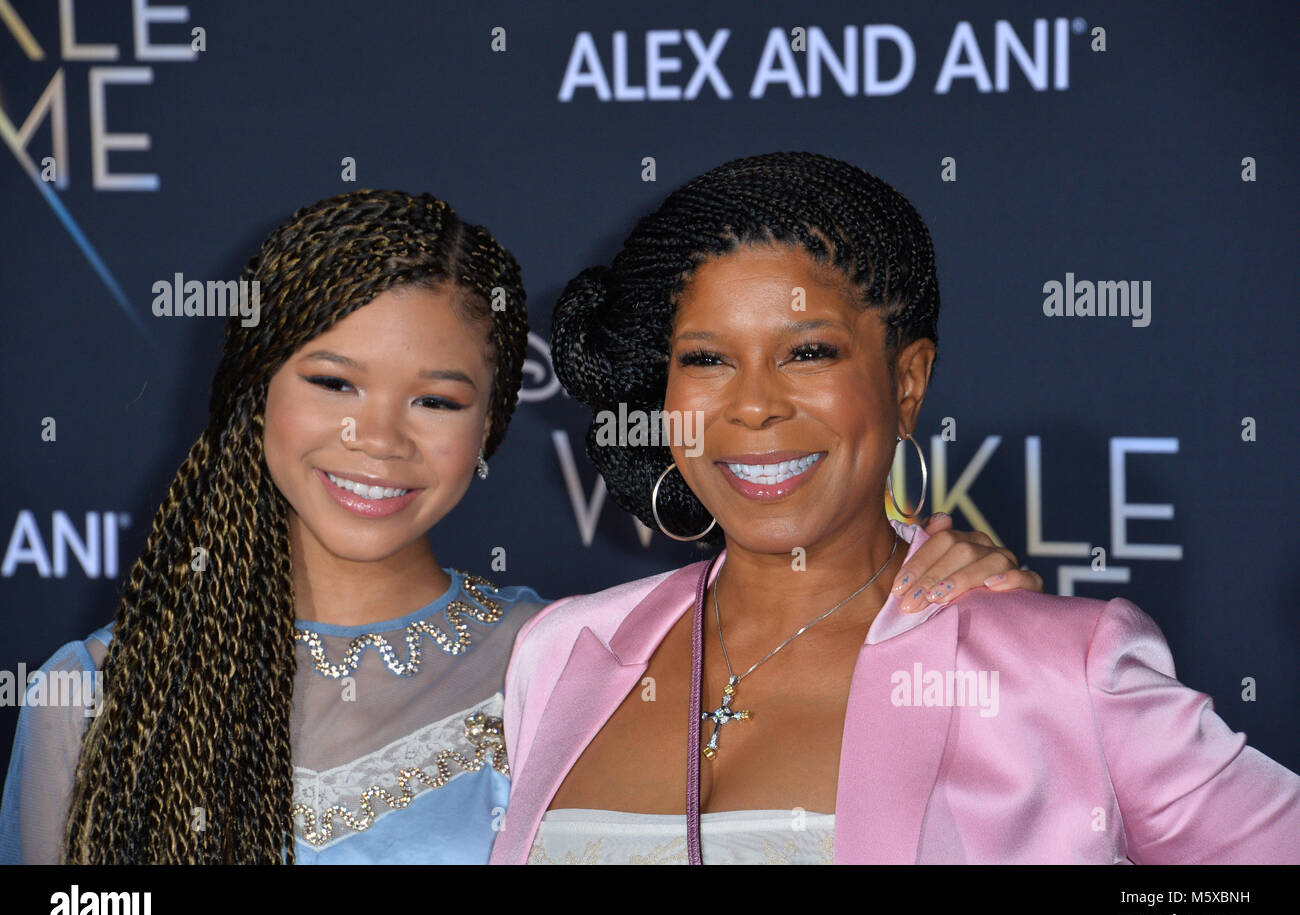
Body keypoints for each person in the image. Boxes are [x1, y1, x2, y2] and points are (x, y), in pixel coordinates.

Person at [0, 188, 1032, 864]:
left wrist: (937, 575)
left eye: (437, 401)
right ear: (251, 393)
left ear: (488, 428)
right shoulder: (88, 694)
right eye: (332, 381)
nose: (379, 440)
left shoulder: (566, 666)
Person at [490, 152, 1300, 865]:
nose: (754, 406)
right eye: (707, 359)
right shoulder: (563, 652)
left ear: (906, 383)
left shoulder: (1059, 672)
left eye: (808, 352)